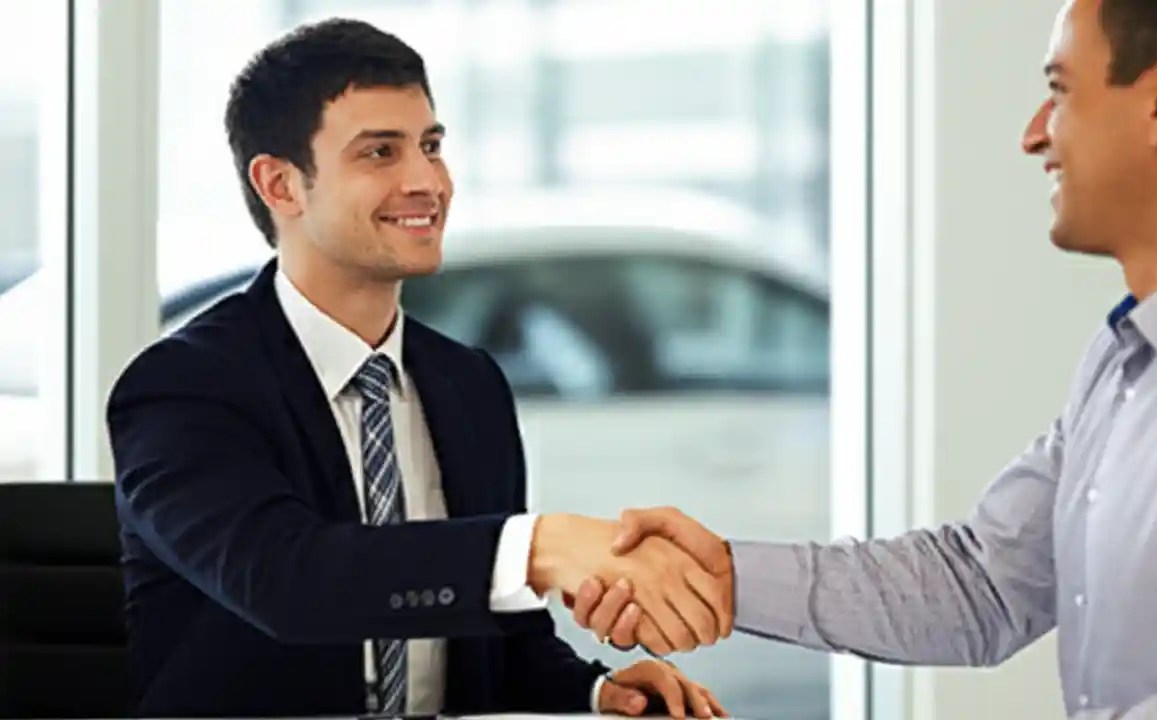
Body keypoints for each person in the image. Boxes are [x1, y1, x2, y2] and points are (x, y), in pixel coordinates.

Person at [574, 0, 1157, 717]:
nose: (1035, 133)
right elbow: (985, 583)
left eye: (1061, 91)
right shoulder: (1126, 360)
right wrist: (725, 578)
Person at [107, 18, 730, 719]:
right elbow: (288, 582)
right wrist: (539, 546)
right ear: (280, 184)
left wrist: (595, 691)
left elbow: (497, 638)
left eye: (431, 146)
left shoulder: (468, 384)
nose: (426, 182)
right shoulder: (183, 388)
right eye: (380, 152)